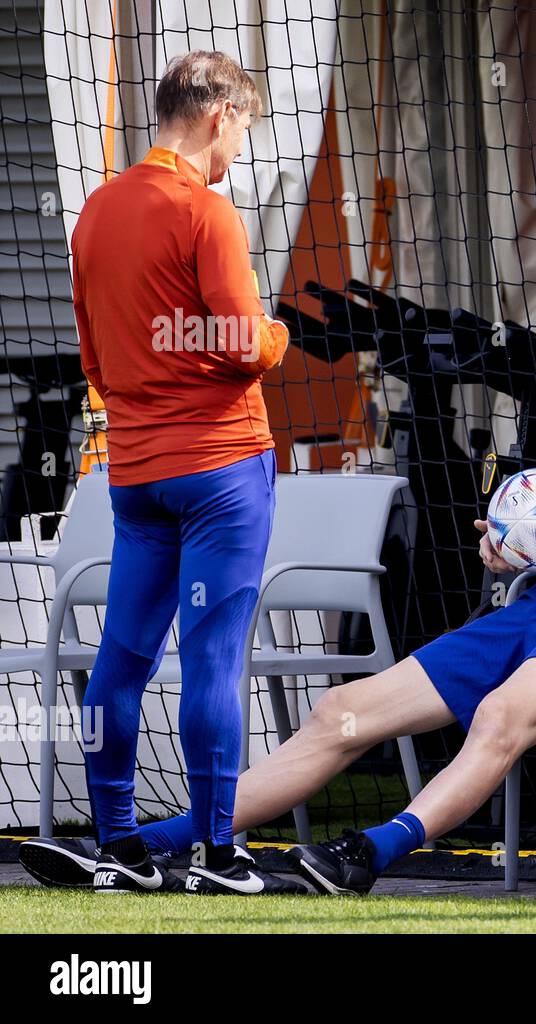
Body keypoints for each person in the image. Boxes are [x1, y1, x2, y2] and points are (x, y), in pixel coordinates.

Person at [24, 228, 536, 897]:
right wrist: (530, 545)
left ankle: (369, 854)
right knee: (340, 714)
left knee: (504, 716)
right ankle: (128, 851)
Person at [19, 51, 298, 895]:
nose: (241, 148)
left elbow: (96, 360)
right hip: (219, 469)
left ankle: (117, 847)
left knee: (120, 660)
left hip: (134, 475)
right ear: (219, 116)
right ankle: (219, 855)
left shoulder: (97, 210)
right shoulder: (206, 211)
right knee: (213, 659)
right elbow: (246, 345)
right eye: (244, 128)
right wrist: (278, 336)